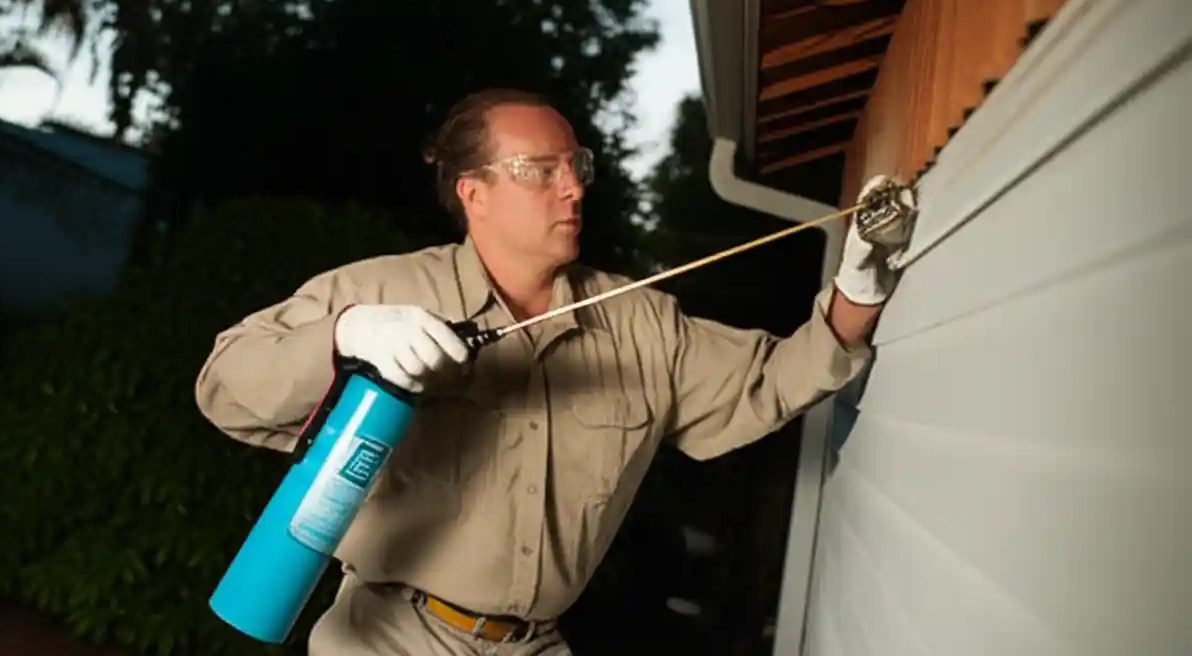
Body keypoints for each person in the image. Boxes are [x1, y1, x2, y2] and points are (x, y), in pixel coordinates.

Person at [194, 88, 914, 656]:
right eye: (540, 171)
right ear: (472, 192)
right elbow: (226, 386)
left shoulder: (641, 325)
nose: (572, 188)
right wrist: (347, 334)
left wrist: (860, 282)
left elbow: (768, 383)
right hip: (387, 638)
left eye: (577, 166)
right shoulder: (381, 294)